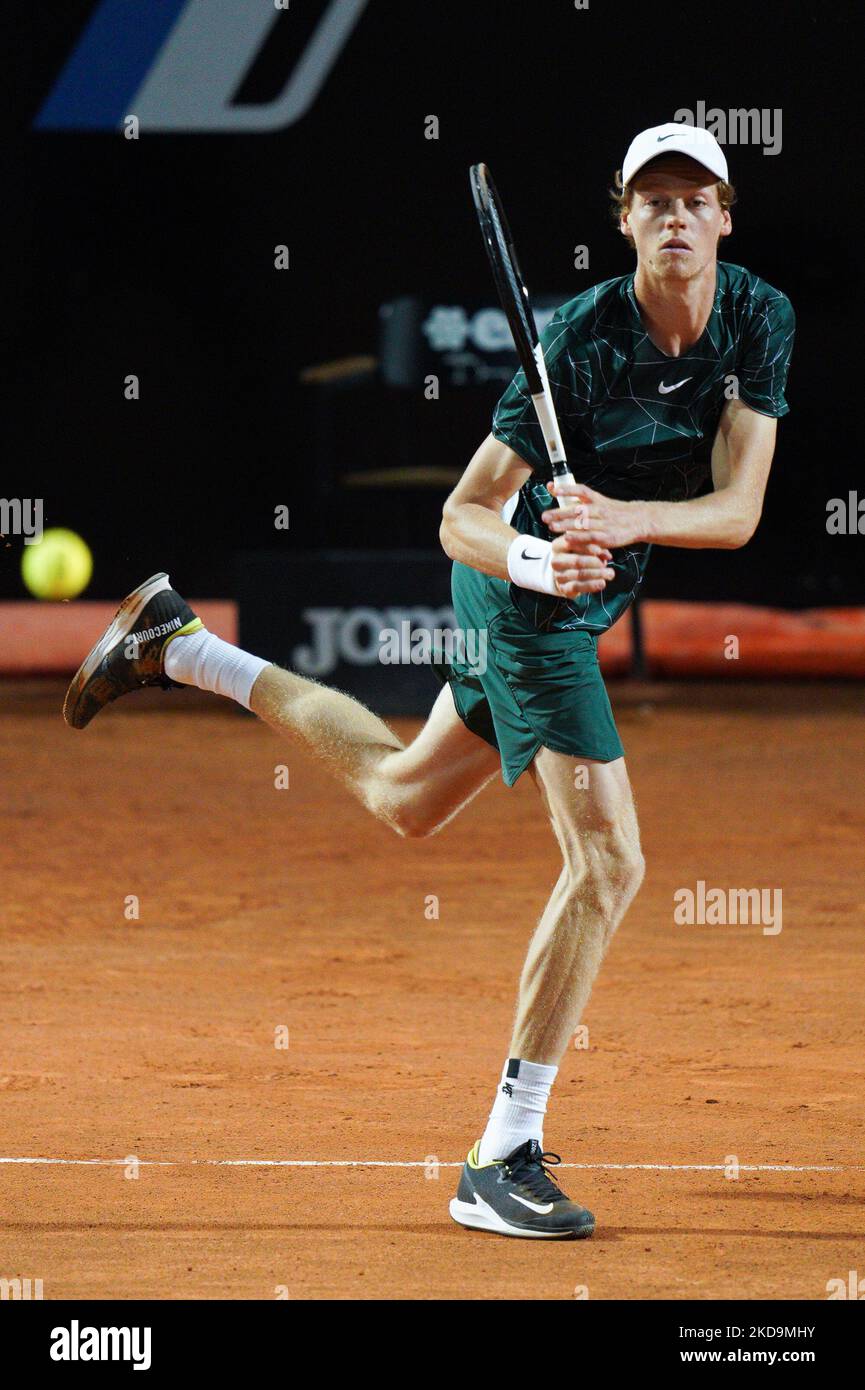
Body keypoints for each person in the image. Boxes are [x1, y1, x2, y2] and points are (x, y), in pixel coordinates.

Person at [64, 123, 794, 1240]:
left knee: (405, 799)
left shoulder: (758, 319)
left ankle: (180, 645)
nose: (677, 215)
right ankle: (501, 1152)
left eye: (697, 197)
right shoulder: (578, 340)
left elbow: (737, 511)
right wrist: (540, 553)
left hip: (586, 586)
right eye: (654, 200)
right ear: (625, 219)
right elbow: (461, 517)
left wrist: (621, 519)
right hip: (525, 598)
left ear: (727, 216)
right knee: (609, 864)